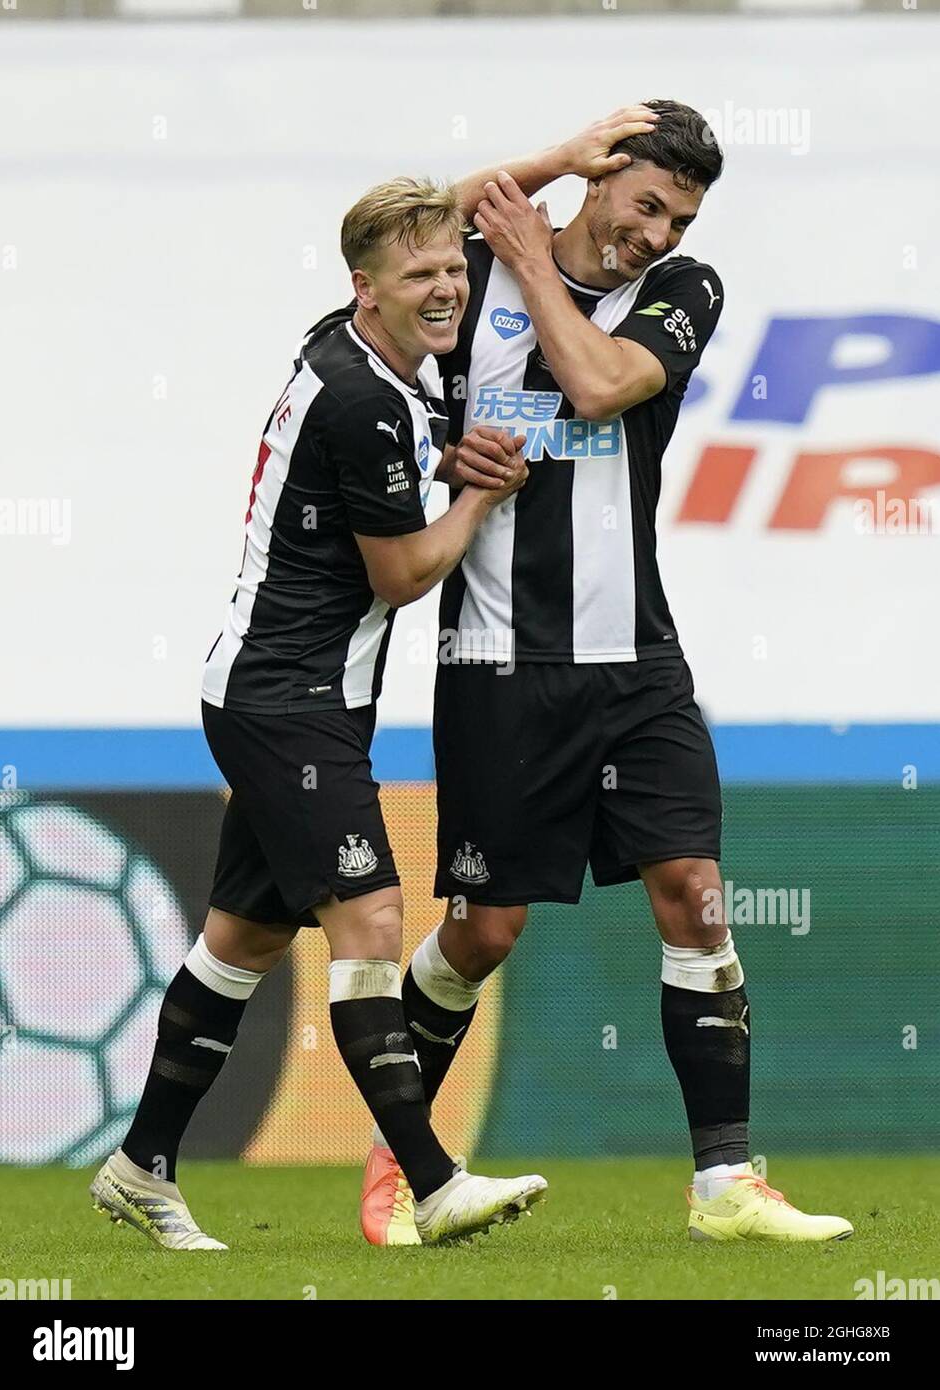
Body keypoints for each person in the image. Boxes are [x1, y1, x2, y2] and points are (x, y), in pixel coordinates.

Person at [361, 106, 852, 1245]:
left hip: (637, 660)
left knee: (695, 891)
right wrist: (542, 173)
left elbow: (596, 384)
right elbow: (419, 221)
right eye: (644, 204)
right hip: (496, 662)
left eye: (678, 216)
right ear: (602, 179)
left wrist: (535, 255)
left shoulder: (686, 291)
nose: (657, 232)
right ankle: (400, 1159)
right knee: (485, 934)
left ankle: (726, 1182)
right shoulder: (468, 274)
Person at [90, 176, 547, 1250]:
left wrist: (561, 156)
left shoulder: (363, 349)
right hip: (282, 701)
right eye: (421, 275)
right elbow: (403, 575)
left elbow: (463, 212)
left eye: (452, 269)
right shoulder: (362, 399)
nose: (446, 289)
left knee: (239, 941)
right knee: (374, 917)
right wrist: (480, 492)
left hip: (295, 698)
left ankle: (140, 1165)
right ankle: (431, 1181)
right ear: (366, 290)